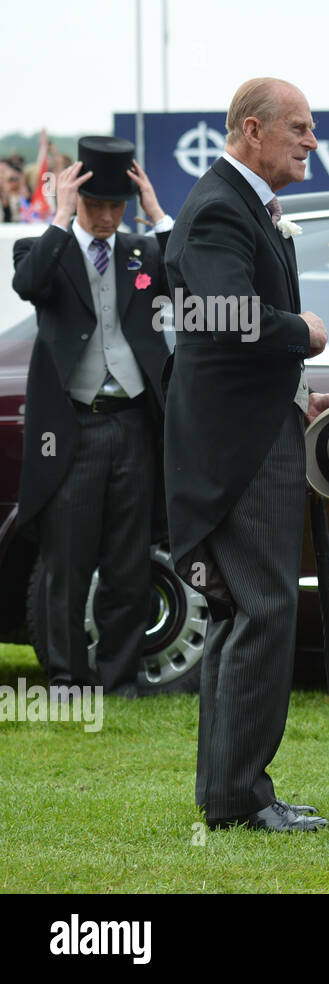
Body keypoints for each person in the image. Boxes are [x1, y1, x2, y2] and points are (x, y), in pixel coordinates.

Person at [164, 77, 329, 833]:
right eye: (301, 129)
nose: (313, 142)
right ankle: (242, 797)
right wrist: (301, 333)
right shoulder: (217, 208)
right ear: (252, 130)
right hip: (237, 452)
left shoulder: (240, 206)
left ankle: (232, 794)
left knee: (243, 613)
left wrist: (294, 394)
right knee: (264, 610)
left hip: (251, 431)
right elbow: (222, 315)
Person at [11, 137, 173, 696]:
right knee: (66, 564)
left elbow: (187, 279)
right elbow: (29, 285)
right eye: (95, 206)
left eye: (116, 207)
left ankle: (119, 678)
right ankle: (66, 678)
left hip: (132, 423)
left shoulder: (142, 252)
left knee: (128, 564)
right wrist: (59, 216)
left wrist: (156, 215)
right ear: (77, 199)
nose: (106, 217)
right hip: (71, 429)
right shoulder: (42, 248)